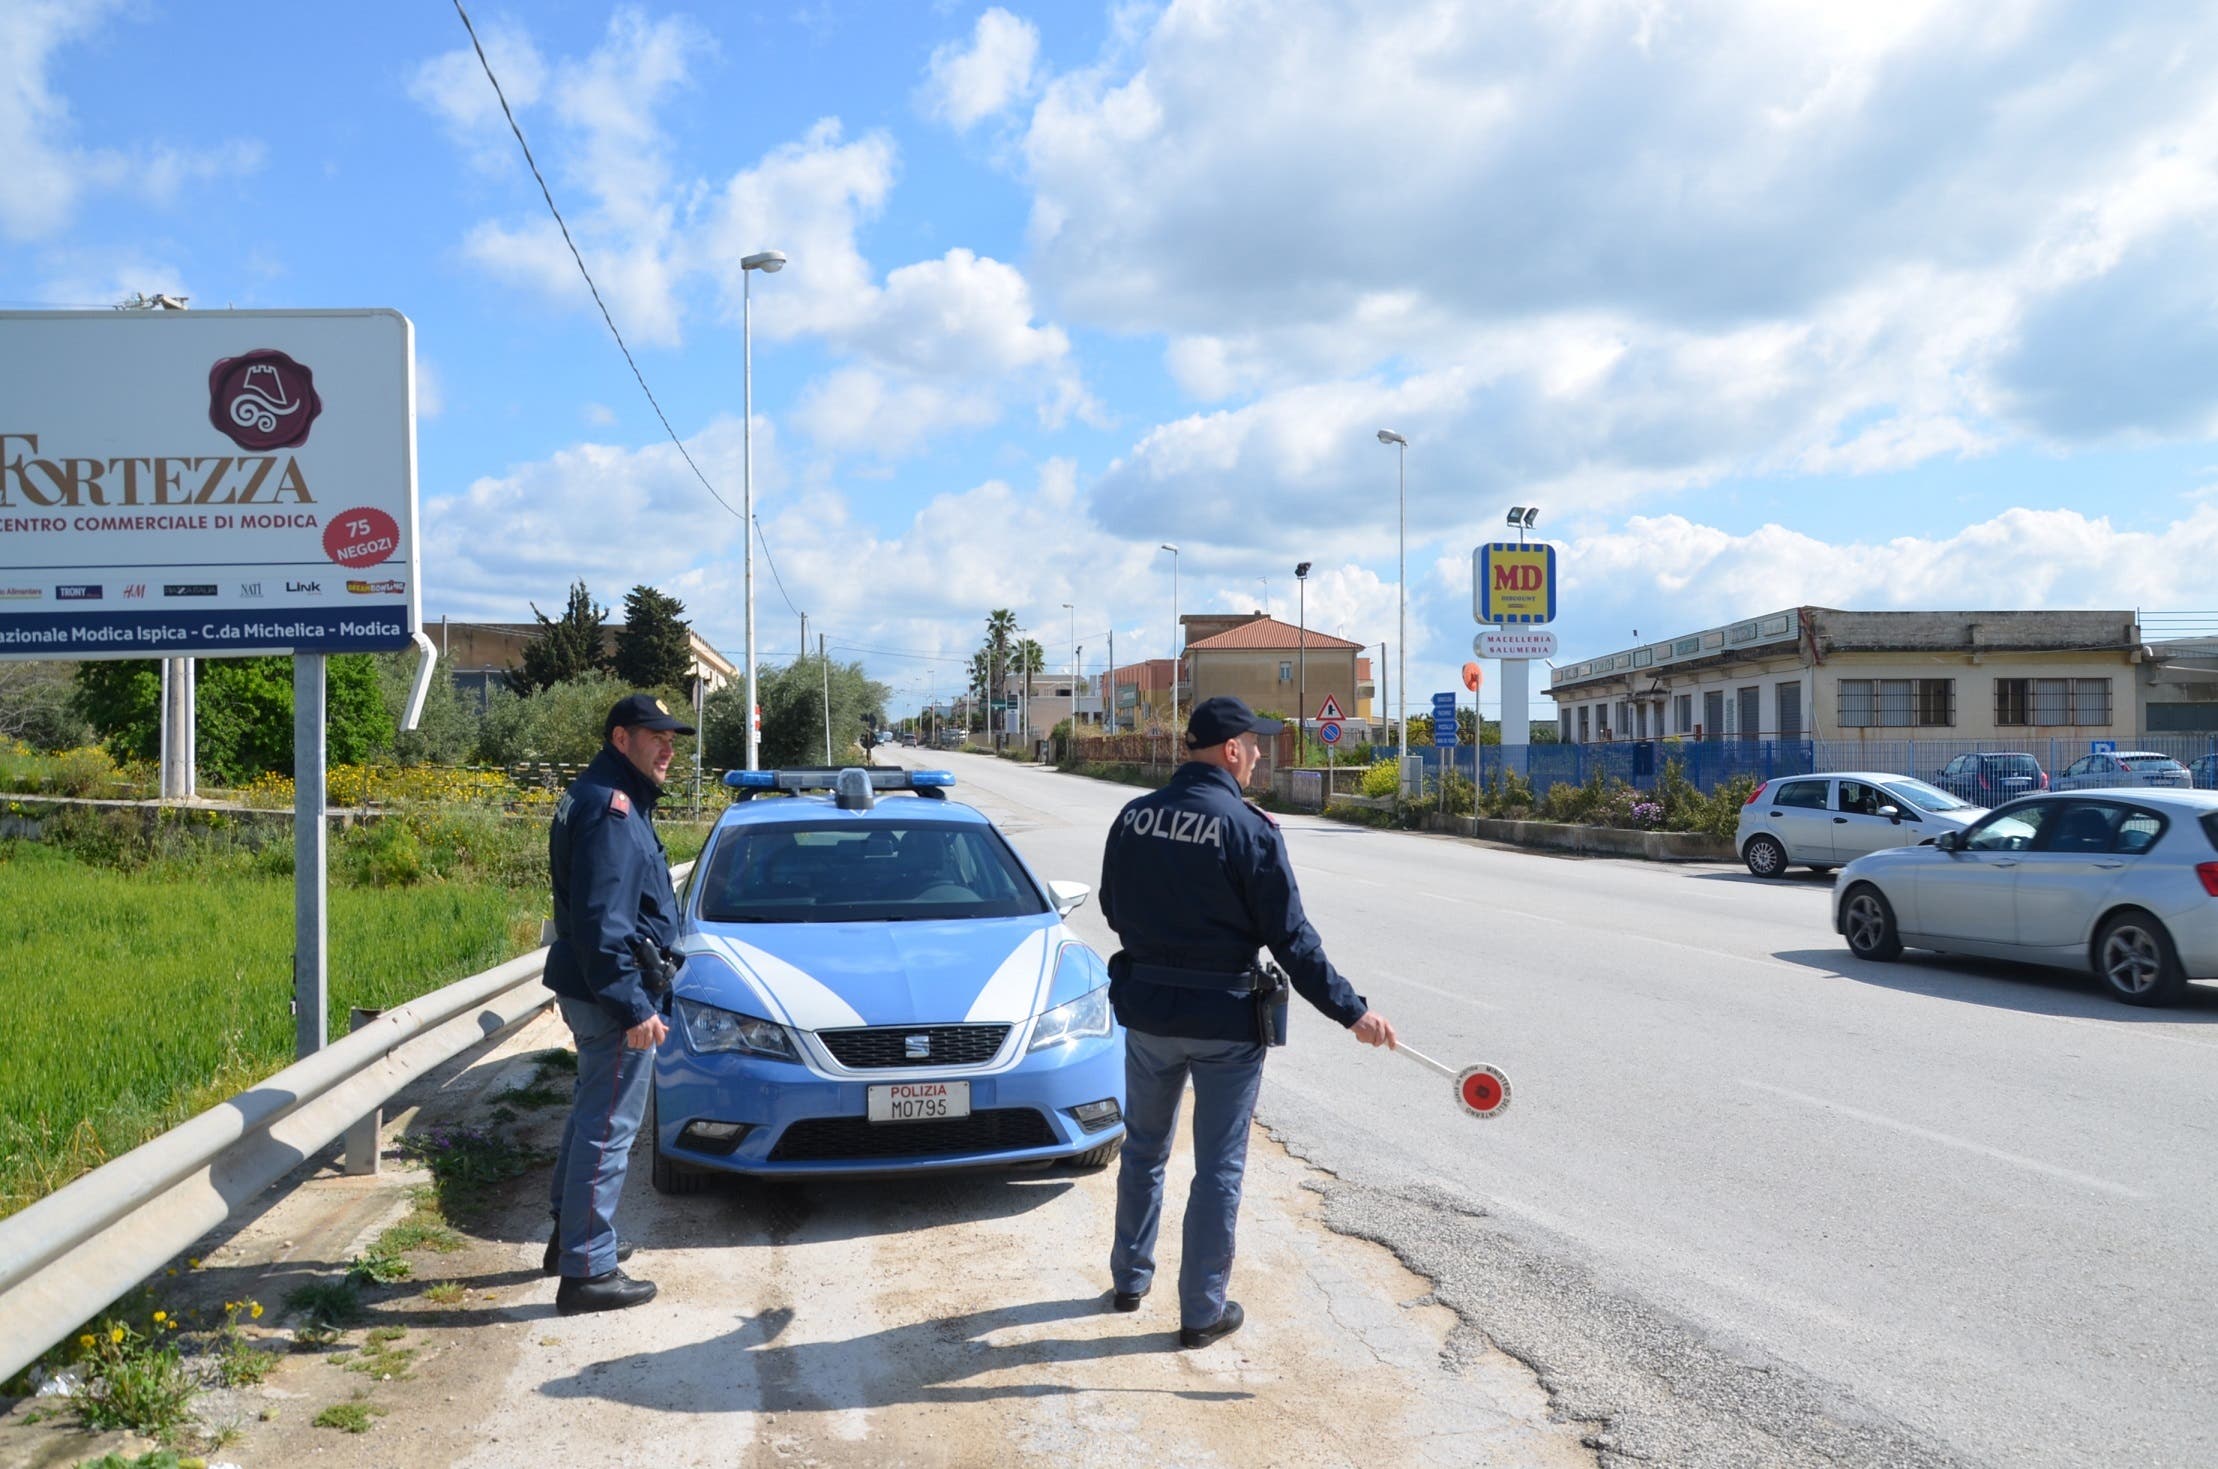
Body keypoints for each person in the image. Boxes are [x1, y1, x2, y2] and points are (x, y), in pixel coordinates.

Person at [1099, 695, 1397, 1349]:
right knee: (1218, 1167)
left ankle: (1129, 1280)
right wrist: (1352, 1011)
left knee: (1143, 1150)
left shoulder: (1133, 816)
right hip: (1225, 1023)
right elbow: (1292, 939)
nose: (1260, 756)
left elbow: (1112, 906)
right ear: (1231, 749)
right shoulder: (1251, 827)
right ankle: (1201, 1311)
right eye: (1255, 745)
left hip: (1148, 1013)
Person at [542, 692, 693, 1315]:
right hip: (613, 995)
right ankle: (586, 1273)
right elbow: (604, 925)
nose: (667, 747)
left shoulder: (607, 797)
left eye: (672, 739)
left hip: (597, 988)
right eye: (653, 735)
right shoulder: (612, 810)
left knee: (589, 1119)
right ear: (619, 738)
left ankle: (569, 1239)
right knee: (609, 1130)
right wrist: (635, 1008)